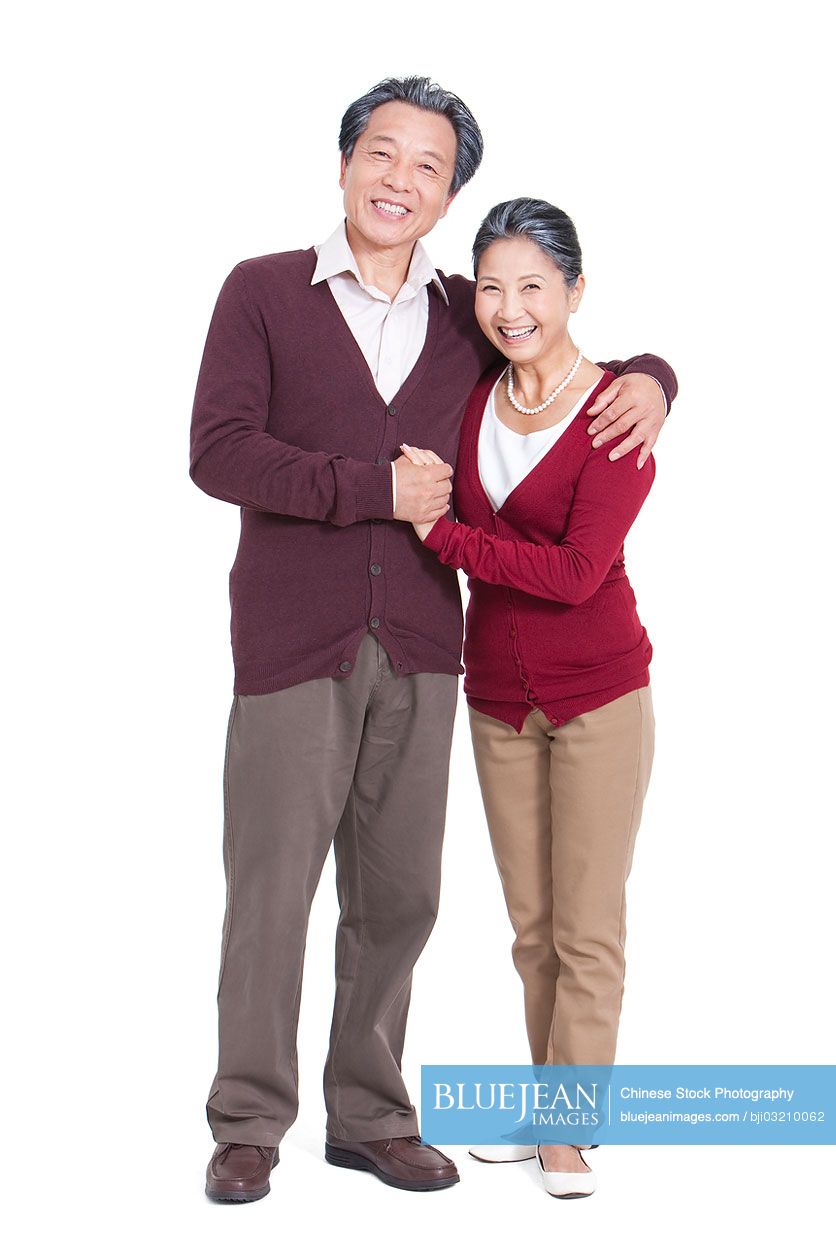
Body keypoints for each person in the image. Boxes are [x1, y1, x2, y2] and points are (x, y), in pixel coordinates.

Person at [189, 77, 676, 1202]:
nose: (398, 180)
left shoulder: (465, 312)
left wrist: (656, 378)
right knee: (271, 887)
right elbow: (219, 452)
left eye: (427, 167)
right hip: (290, 638)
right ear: (345, 162)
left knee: (400, 893)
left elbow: (551, 333)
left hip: (421, 643)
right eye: (381, 154)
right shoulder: (261, 291)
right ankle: (249, 1120)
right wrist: (374, 490)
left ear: (450, 192)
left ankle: (368, 1113)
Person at [404, 197, 659, 1199]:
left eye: (534, 288)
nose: (512, 309)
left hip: (597, 695)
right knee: (530, 924)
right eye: (495, 289)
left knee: (586, 923)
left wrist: (443, 535)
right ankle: (546, 1105)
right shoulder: (476, 390)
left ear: (574, 291)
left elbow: (572, 572)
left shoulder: (613, 414)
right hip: (497, 698)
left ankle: (569, 1130)